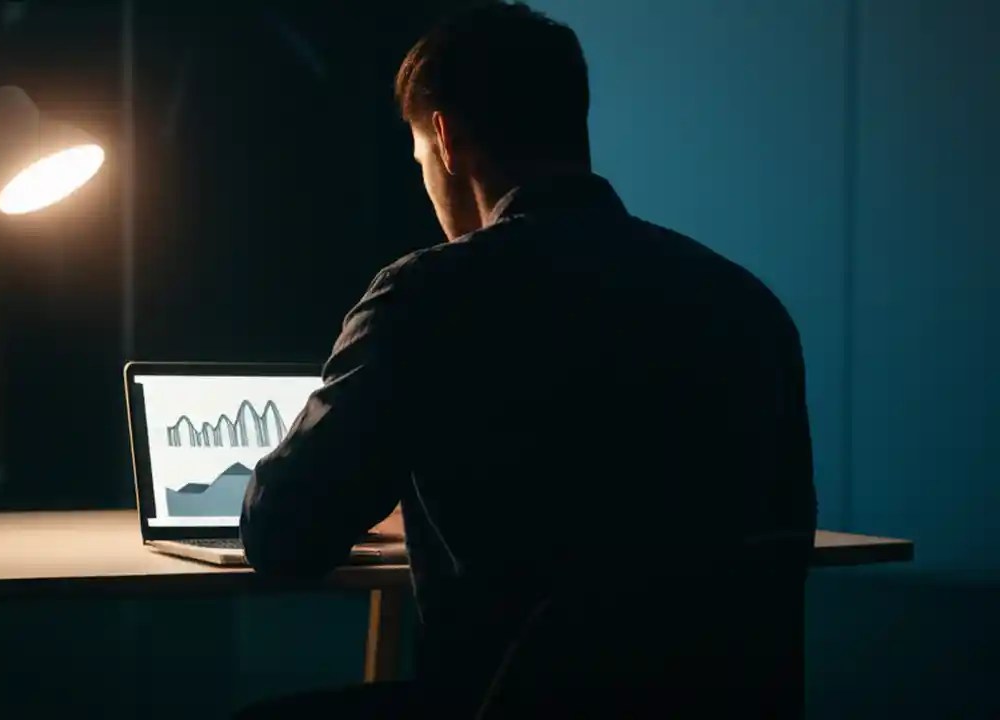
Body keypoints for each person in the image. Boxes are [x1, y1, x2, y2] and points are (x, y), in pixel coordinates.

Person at [237, 1, 817, 717]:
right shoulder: (744, 303)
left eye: (419, 153)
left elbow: (283, 535)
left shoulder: (427, 296)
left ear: (444, 139)